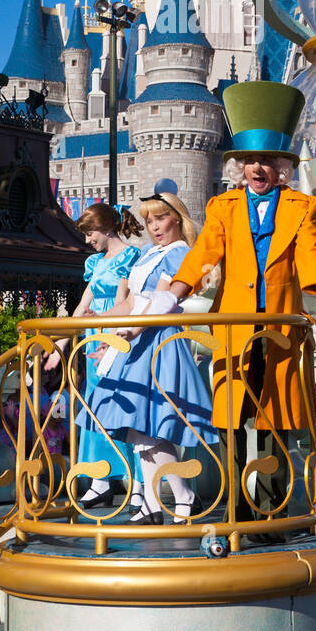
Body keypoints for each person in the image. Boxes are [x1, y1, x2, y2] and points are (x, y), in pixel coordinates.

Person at [168, 81, 316, 526]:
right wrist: (175, 292)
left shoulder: (302, 207)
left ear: (281, 166)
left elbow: (311, 252)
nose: (258, 169)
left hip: (281, 331)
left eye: (266, 161)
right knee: (232, 417)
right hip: (234, 328)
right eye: (250, 161)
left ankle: (271, 513)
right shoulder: (222, 207)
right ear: (240, 166)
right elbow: (204, 252)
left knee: (276, 420)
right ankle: (235, 510)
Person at [79, 189, 218, 525]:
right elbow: (130, 302)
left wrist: (128, 332)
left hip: (158, 341)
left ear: (176, 218)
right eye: (149, 221)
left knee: (156, 426)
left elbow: (163, 301)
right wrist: (103, 325)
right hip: (135, 340)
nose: (154, 227)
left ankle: (182, 497)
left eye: (160, 218)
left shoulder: (180, 253)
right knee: (140, 429)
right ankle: (156, 504)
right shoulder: (146, 255)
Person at [47, 202, 143, 511]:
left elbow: (123, 300)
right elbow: (81, 307)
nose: (88, 240)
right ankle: (101, 481)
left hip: (116, 336)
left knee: (123, 409)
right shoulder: (95, 263)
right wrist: (61, 344)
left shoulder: (130, 256)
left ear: (106, 229)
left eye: (90, 234)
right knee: (96, 407)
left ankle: (138, 484)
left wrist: (110, 338)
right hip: (93, 337)